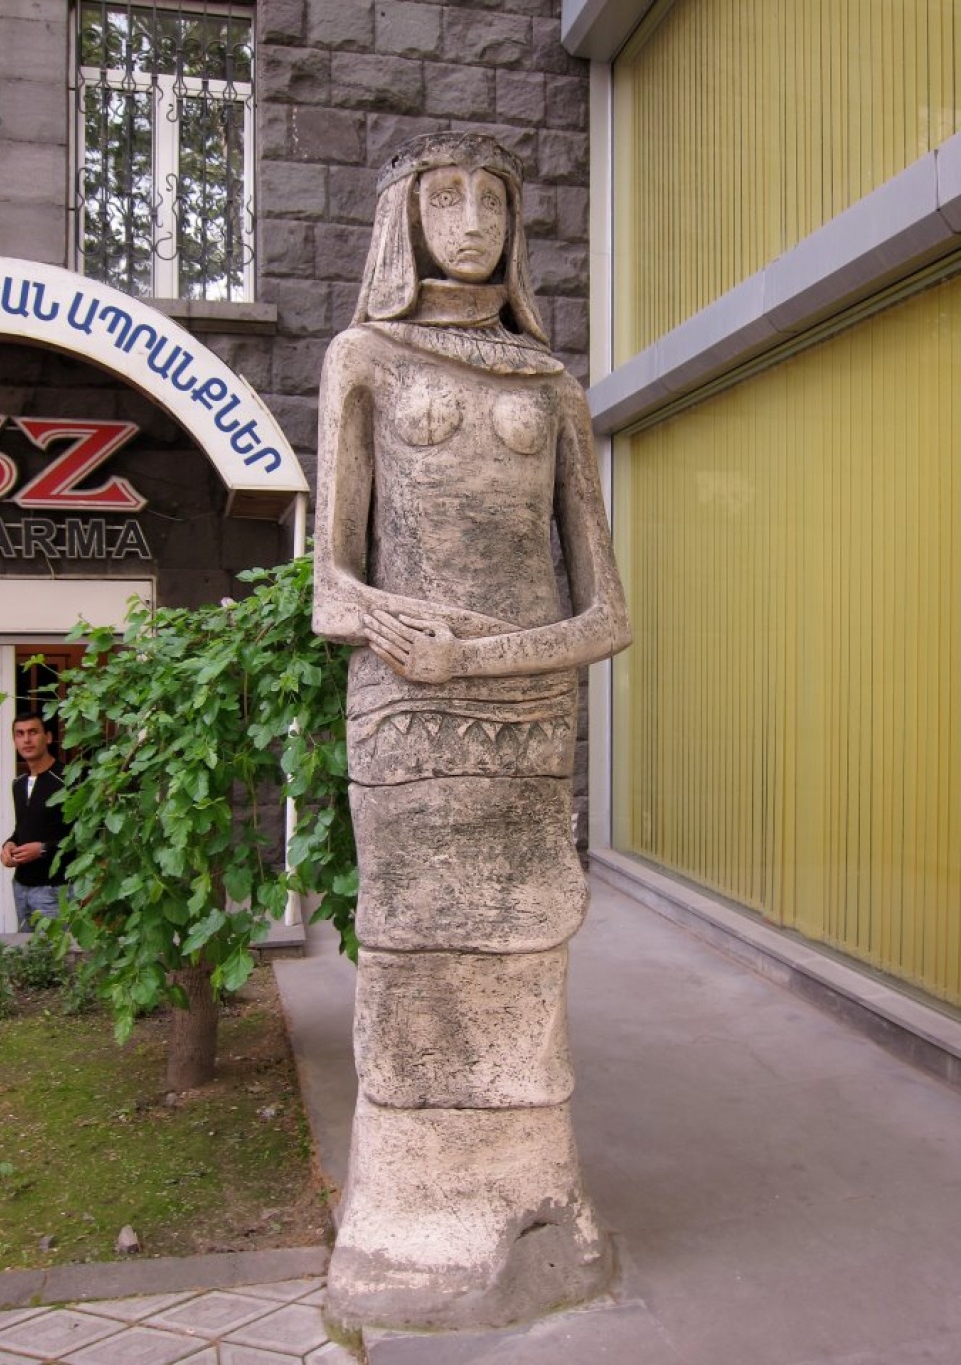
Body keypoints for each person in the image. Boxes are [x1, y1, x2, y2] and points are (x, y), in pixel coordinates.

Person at [313, 132, 631, 1329]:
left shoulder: (551, 388)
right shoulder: (364, 357)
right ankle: (407, 1211)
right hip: (406, 722)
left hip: (522, 718)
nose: (469, 221)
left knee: (524, 953)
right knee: (412, 954)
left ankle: (529, 1197)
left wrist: (480, 656)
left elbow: (606, 612)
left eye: (491, 200)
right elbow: (330, 588)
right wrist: (418, 646)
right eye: (442, 197)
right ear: (403, 218)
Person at [0, 711, 69, 933]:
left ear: (48, 737)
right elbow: (23, 829)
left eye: (33, 732)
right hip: (21, 887)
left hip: (54, 888)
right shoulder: (18, 784)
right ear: (14, 740)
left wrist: (43, 849)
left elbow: (85, 837)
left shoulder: (68, 779)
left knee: (57, 959)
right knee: (30, 958)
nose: (26, 740)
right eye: (19, 734)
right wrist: (9, 845)